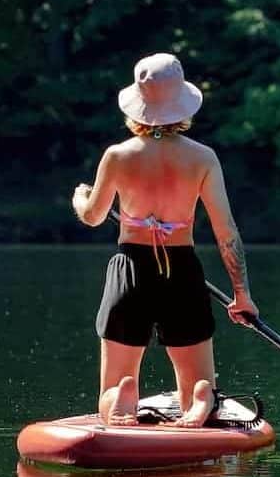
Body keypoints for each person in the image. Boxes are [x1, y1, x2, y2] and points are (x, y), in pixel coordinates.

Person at [70, 52, 257, 428]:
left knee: (112, 382)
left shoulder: (118, 156)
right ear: (183, 105)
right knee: (196, 379)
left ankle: (121, 397)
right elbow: (227, 232)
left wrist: (80, 197)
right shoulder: (203, 158)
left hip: (131, 272)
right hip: (183, 272)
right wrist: (242, 294)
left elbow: (92, 216)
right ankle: (201, 395)